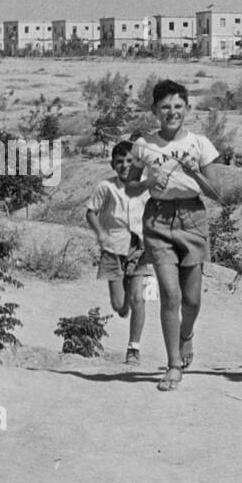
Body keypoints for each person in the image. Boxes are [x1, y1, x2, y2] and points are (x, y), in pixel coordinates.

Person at [122, 80, 226, 392]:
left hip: (193, 219)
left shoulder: (201, 143)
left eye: (178, 106)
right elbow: (128, 186)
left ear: (187, 109)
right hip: (158, 219)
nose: (172, 112)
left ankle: (187, 334)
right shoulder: (143, 145)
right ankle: (173, 365)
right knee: (170, 294)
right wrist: (149, 181)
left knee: (191, 301)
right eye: (165, 107)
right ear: (155, 110)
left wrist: (195, 172)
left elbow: (217, 193)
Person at [86, 141, 152, 364]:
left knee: (138, 298)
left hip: (139, 247)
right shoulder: (106, 186)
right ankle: (123, 305)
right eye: (120, 161)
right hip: (113, 248)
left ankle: (134, 348)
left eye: (130, 161)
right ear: (113, 164)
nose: (125, 165)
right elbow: (91, 212)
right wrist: (100, 233)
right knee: (119, 305)